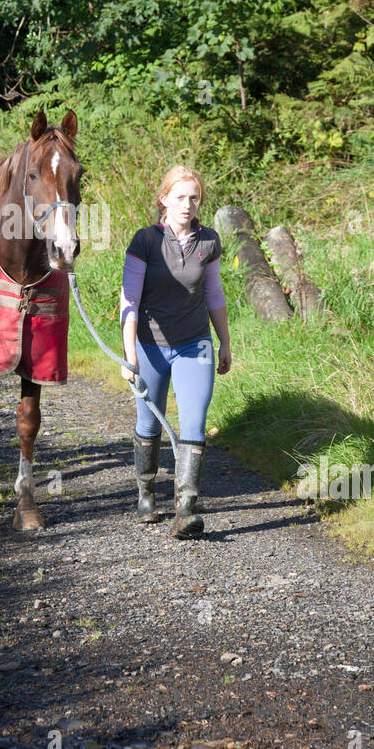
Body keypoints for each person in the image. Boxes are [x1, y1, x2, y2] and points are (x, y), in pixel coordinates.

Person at [119, 165, 232, 537]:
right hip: (150, 345)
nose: (188, 204)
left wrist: (225, 342)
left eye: (194, 198)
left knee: (194, 422)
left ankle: (185, 509)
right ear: (164, 199)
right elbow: (129, 301)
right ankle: (146, 494)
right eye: (180, 197)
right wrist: (129, 355)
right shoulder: (145, 242)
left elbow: (214, 295)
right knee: (148, 423)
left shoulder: (209, 241)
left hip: (195, 344)